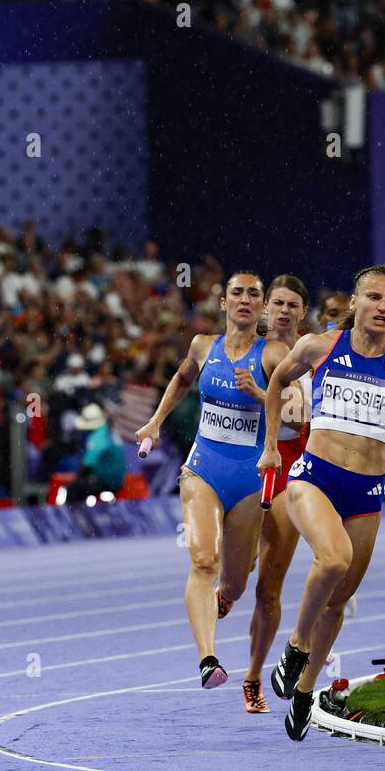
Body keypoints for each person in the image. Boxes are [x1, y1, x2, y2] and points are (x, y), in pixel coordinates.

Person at [258, 265, 385, 741]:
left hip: (367, 492)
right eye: (373, 297)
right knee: (334, 559)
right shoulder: (320, 346)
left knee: (338, 601)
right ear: (353, 302)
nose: (382, 307)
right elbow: (276, 384)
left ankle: (305, 693)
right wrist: (271, 445)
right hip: (314, 477)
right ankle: (295, 647)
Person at [136, 270, 288, 690]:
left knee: (236, 581)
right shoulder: (203, 346)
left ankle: (225, 597)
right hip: (204, 466)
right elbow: (183, 378)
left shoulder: (274, 353)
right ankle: (208, 659)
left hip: (250, 477)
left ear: (261, 306)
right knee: (204, 560)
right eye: (236, 293)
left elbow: (294, 404)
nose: (244, 300)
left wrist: (261, 398)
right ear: (222, 303)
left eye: (253, 295)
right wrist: (154, 422)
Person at [242, 274, 310, 713]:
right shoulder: (242, 347)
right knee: (232, 567)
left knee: (269, 588)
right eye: (278, 303)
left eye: (292, 305)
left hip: (291, 470)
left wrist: (260, 394)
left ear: (302, 312)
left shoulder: (315, 352)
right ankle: (227, 585)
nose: (284, 311)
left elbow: (302, 421)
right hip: (245, 464)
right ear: (266, 307)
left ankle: (252, 678)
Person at [65, 402, 126, 502]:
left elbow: (88, 463)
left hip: (106, 481)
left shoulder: (97, 436)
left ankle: (76, 516)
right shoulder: (110, 431)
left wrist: (77, 479)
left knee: (73, 489)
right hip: (117, 479)